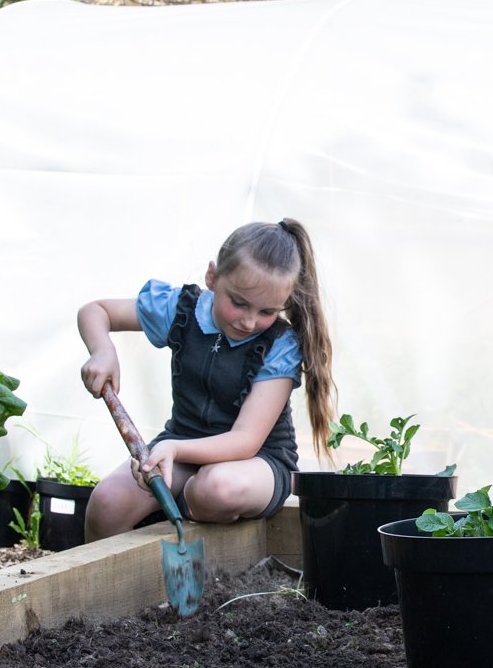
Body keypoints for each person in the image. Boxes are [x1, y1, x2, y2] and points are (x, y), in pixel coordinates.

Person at [76, 219, 334, 539]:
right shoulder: (182, 309)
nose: (250, 321)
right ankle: (108, 583)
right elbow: (95, 311)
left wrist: (173, 451)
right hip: (181, 449)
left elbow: (245, 440)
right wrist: (103, 351)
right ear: (213, 276)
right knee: (108, 501)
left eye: (267, 311)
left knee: (216, 488)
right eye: (238, 302)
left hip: (256, 464)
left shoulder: (279, 345)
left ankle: (173, 514)